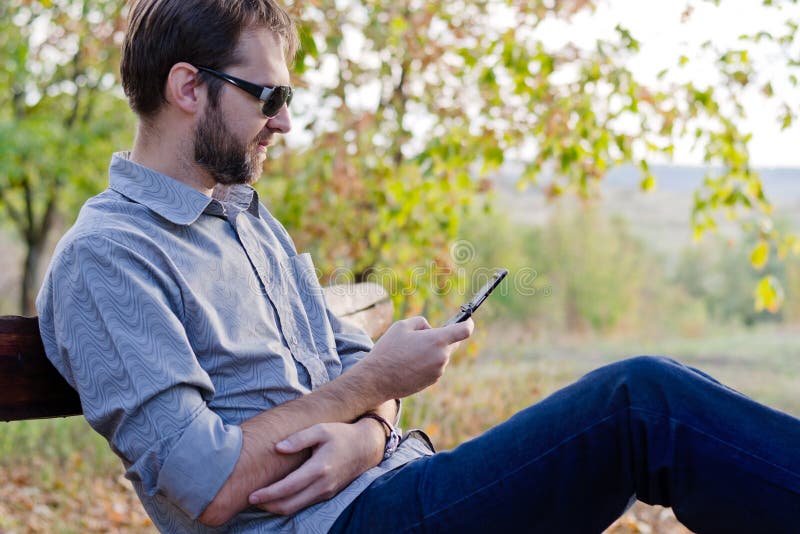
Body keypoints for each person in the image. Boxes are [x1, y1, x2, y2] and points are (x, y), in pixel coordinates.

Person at [35, 0, 800, 532]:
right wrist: (374, 390)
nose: (286, 120)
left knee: (657, 396)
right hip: (352, 524)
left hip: (391, 482)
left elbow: (352, 371)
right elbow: (204, 482)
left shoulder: (243, 217)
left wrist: (366, 433)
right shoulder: (110, 258)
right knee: (643, 406)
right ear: (188, 87)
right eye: (268, 94)